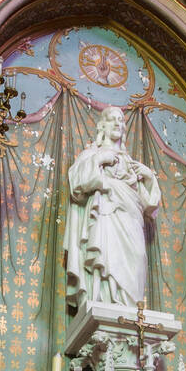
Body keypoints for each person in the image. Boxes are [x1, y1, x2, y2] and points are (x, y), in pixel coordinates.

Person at [63, 107, 161, 312]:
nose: (118, 124)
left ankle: (132, 307)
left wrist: (149, 178)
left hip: (132, 220)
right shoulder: (91, 154)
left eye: (121, 121)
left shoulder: (130, 162)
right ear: (102, 126)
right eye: (112, 120)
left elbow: (148, 207)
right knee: (106, 258)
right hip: (106, 216)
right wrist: (99, 160)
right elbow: (77, 185)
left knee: (137, 257)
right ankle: (105, 299)